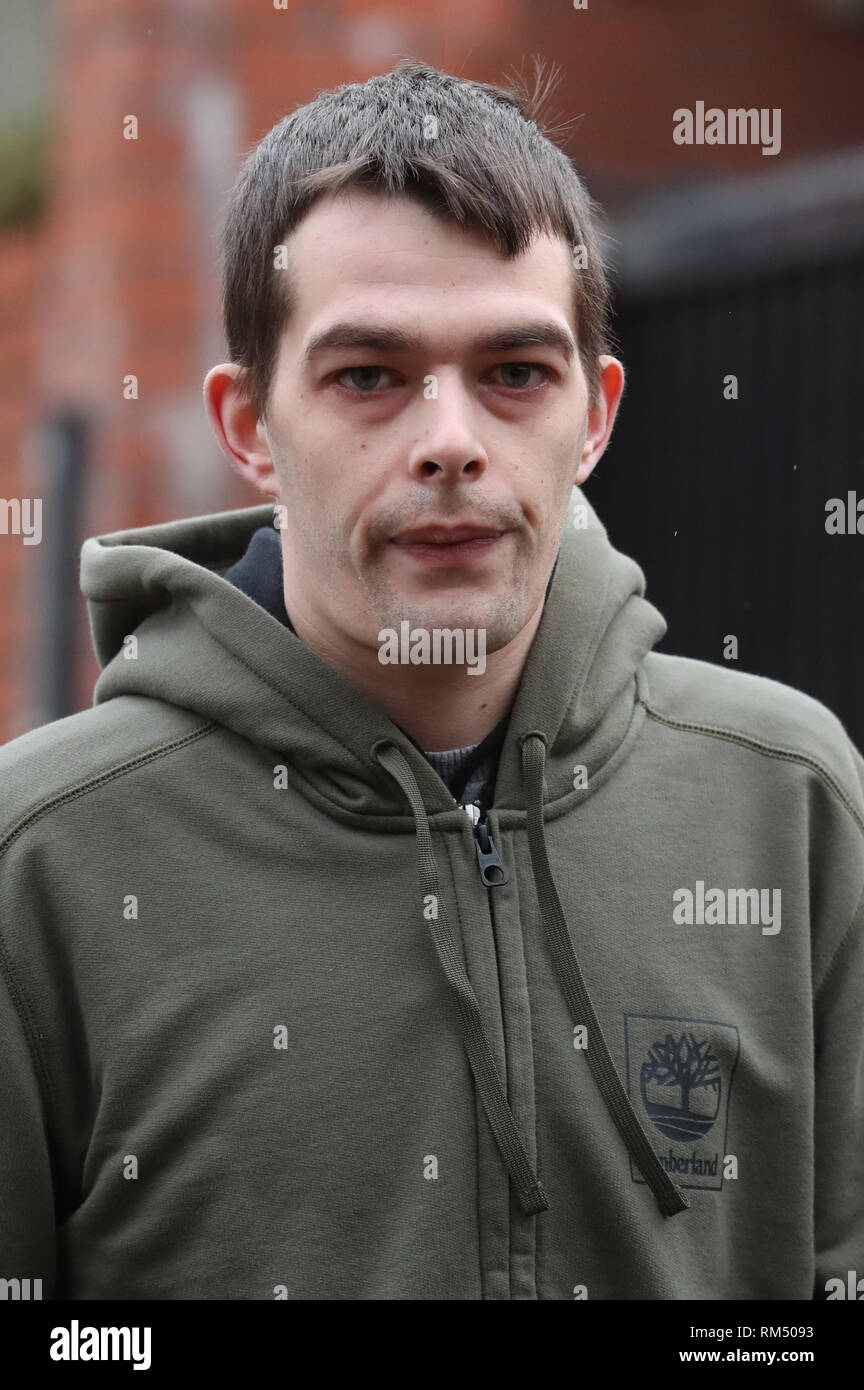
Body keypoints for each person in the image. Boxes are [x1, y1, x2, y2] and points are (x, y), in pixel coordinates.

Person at [1, 59, 861, 1302]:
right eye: (369, 376)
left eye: (515, 371)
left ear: (597, 414)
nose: (451, 439)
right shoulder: (45, 861)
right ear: (248, 423)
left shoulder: (791, 805)